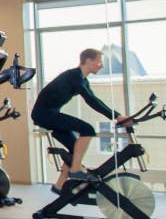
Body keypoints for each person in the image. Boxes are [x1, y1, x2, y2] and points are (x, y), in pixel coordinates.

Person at [31, 48, 130, 190]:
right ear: (89, 61)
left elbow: (95, 100)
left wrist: (118, 116)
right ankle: (75, 170)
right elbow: (91, 101)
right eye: (99, 62)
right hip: (44, 114)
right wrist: (117, 117)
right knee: (88, 129)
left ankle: (59, 186)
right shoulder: (74, 76)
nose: (101, 65)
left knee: (74, 149)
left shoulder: (82, 79)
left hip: (49, 113)